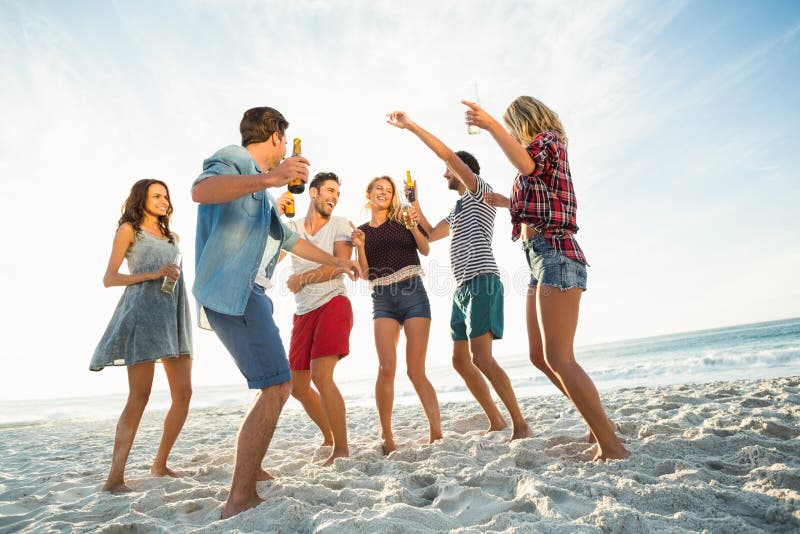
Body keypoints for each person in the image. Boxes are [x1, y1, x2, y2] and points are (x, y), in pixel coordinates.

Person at [191, 106, 362, 518]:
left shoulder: (261, 195)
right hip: (236, 291)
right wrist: (271, 177)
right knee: (279, 386)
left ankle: (252, 469)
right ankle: (240, 497)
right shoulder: (233, 157)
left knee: (275, 385)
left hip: (252, 295)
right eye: (285, 140)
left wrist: (338, 263)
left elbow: (289, 240)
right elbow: (201, 190)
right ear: (275, 138)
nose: (286, 148)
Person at [464, 96, 630, 460]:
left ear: (523, 121)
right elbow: (544, 195)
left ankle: (611, 445)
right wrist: (507, 202)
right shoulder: (542, 154)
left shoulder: (548, 141)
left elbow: (526, 166)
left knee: (559, 356)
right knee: (540, 356)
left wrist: (490, 125)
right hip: (539, 259)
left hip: (557, 253)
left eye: (510, 125)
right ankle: (600, 424)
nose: (509, 132)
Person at [385, 111, 533, 441]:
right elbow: (432, 233)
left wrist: (411, 126)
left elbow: (448, 155)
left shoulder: (480, 191)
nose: (444, 175)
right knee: (460, 360)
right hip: (462, 288)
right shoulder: (458, 208)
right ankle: (496, 420)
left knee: (482, 357)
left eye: (447, 172)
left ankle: (520, 423)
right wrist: (415, 203)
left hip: (483, 279)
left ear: (459, 171)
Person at [90, 179, 193, 492]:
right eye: (156, 196)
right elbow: (109, 278)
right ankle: (114, 478)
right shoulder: (128, 230)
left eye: (166, 196)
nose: (164, 201)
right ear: (141, 199)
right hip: (143, 315)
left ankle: (160, 464)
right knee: (140, 396)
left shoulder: (172, 236)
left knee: (184, 394)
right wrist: (154, 274)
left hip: (173, 315)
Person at [350, 176, 442, 455]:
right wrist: (360, 246)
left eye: (389, 191)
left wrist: (414, 225)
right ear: (369, 193)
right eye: (379, 188)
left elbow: (425, 249)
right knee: (386, 368)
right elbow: (365, 275)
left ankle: (436, 434)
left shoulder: (403, 220)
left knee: (415, 371)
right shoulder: (362, 231)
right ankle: (387, 436)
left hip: (414, 294)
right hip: (382, 299)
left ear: (393, 198)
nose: (384, 193)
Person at [275, 172, 354, 467]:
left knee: (322, 376)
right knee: (297, 386)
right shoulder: (292, 227)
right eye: (329, 190)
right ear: (313, 193)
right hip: (303, 311)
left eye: (337, 192)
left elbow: (341, 266)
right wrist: (274, 214)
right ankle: (330, 435)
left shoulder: (341, 225)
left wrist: (304, 277)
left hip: (334, 302)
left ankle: (342, 449)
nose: (334, 196)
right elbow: (268, 258)